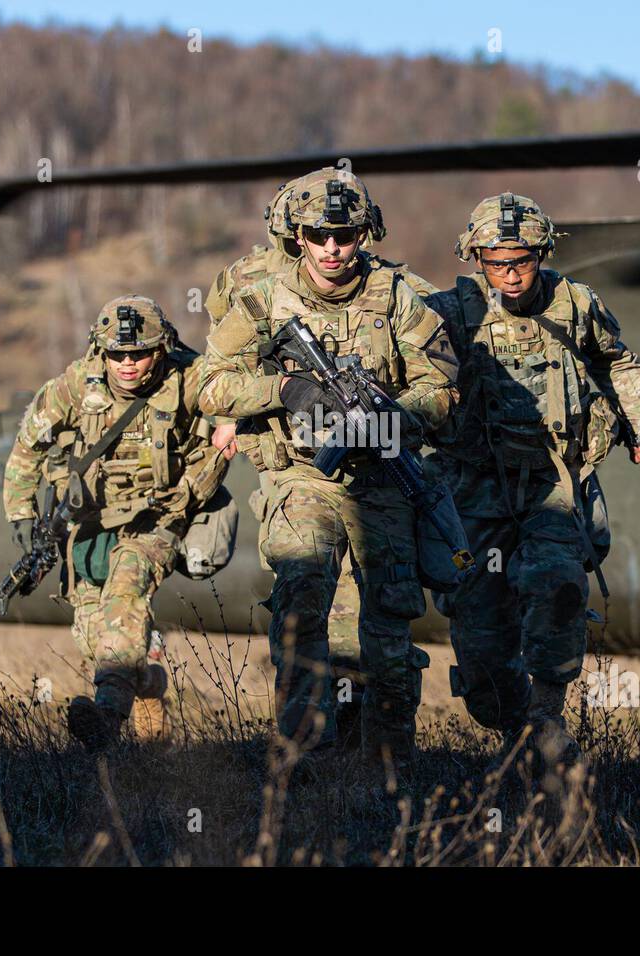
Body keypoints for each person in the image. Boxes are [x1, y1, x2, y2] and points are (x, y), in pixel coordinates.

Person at [198, 169, 457, 767]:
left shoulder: (396, 297)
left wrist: (394, 414)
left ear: (363, 234)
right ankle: (301, 753)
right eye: (319, 236)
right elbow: (209, 386)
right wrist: (282, 388)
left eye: (345, 235)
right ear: (299, 237)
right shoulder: (262, 300)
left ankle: (387, 770)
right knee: (302, 599)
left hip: (383, 478)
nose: (333, 249)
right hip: (301, 476)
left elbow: (443, 383)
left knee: (390, 630)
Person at [424, 193, 640, 765]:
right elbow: (405, 370)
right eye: (496, 261)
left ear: (542, 255)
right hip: (473, 489)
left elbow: (617, 362)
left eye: (523, 261)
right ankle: (517, 732)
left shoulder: (575, 305)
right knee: (480, 640)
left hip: (552, 482)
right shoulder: (448, 313)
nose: (510, 274)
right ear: (476, 257)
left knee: (558, 585)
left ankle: (548, 717)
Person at [3, 295, 231, 751]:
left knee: (125, 595)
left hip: (158, 519)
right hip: (89, 525)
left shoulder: (191, 378)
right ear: (100, 352)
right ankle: (150, 701)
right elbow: (28, 446)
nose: (127, 363)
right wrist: (22, 515)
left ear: (161, 349)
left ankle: (105, 721)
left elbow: (228, 419)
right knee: (98, 639)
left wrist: (222, 441)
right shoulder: (74, 386)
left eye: (139, 353)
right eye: (117, 354)